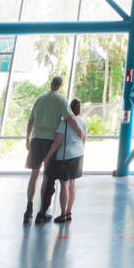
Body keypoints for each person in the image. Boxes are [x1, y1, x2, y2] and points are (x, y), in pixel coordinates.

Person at [24, 75, 84, 226]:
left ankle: (29, 207)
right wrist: (80, 132)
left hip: (36, 140)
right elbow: (70, 118)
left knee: (34, 175)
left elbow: (31, 121)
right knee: (47, 177)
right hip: (50, 142)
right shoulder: (60, 99)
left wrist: (27, 138)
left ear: (51, 84)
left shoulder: (40, 99)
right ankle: (42, 210)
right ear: (61, 86)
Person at [38, 98, 87, 224]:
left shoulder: (63, 123)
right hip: (79, 154)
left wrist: (47, 157)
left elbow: (56, 142)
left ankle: (63, 214)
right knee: (72, 184)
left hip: (66, 156)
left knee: (64, 184)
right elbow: (83, 139)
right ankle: (69, 212)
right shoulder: (83, 122)